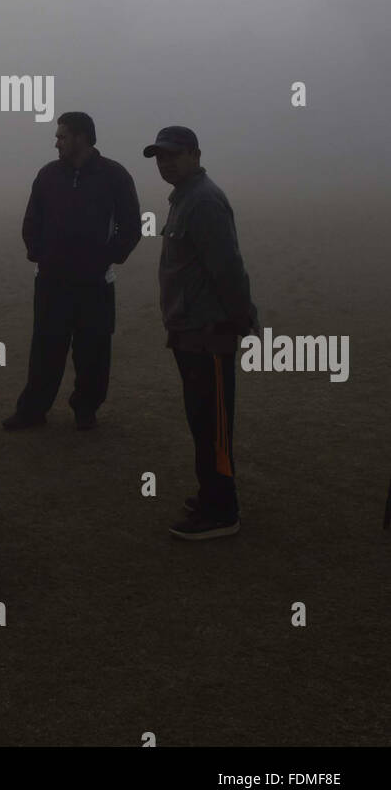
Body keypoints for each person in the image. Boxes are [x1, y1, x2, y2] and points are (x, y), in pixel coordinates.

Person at [143, 126, 258, 540]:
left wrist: (241, 317)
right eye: (159, 156)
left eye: (173, 154)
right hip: (190, 332)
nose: (164, 162)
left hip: (210, 333)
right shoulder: (185, 198)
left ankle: (222, 509)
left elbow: (227, 268)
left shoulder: (204, 201)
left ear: (194, 154)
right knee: (201, 419)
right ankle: (211, 492)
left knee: (214, 423)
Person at [3, 111, 142, 431]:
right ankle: (32, 411)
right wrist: (38, 253)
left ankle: (86, 408)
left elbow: (131, 225)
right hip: (51, 281)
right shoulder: (48, 175)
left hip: (96, 284)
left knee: (94, 350)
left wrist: (109, 257)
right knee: (45, 349)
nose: (56, 143)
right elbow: (32, 218)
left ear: (81, 137)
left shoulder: (114, 175)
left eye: (62, 136)